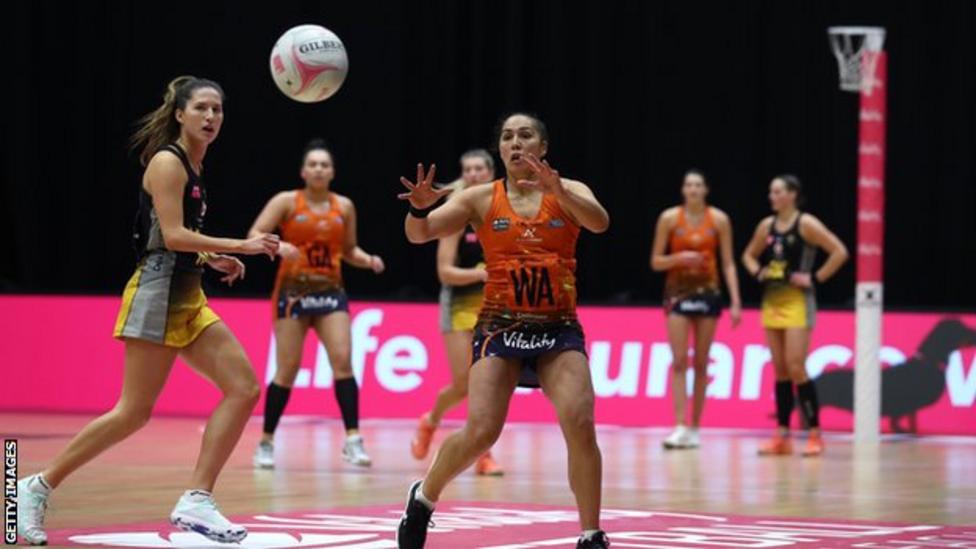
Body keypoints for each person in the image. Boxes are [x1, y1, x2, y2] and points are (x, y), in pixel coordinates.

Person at [16, 76, 280, 545]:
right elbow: (172, 238)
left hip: (189, 293)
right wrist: (242, 244)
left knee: (243, 388)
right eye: (201, 108)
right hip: (158, 292)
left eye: (217, 110)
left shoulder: (196, 166)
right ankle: (37, 485)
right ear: (179, 114)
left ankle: (197, 499)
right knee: (133, 412)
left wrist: (210, 257)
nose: (210, 117)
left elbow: (174, 239)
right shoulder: (167, 161)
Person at [395, 113, 612, 549]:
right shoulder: (480, 198)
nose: (516, 142)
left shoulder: (570, 190)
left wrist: (559, 190)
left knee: (580, 421)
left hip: (558, 328)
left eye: (525, 135)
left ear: (543, 147)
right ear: (501, 150)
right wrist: (419, 208)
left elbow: (600, 222)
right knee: (482, 431)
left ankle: (591, 534)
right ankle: (423, 498)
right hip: (499, 326)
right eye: (508, 137)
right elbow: (419, 235)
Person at [248, 139, 385, 468]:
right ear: (303, 171)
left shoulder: (344, 207)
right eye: (313, 164)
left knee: (342, 362)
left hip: (331, 293)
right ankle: (265, 441)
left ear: (333, 171)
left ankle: (353, 439)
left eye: (325, 164)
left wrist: (367, 260)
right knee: (288, 368)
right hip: (292, 293)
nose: (319, 169)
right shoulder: (286, 201)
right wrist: (278, 246)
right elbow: (255, 233)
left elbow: (349, 249)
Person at [410, 149, 503, 476]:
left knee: (487, 383)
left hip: (493, 305)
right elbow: (445, 272)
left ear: (491, 172)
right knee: (464, 383)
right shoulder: (456, 215)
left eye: (479, 168)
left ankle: (484, 454)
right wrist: (480, 274)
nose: (474, 174)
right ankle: (430, 420)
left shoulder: (501, 211)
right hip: (459, 306)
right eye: (468, 170)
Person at [742, 174, 848, 457]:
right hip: (772, 301)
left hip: (799, 302)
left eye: (776, 191)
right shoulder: (767, 225)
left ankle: (814, 433)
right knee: (780, 370)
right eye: (771, 191)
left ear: (792, 195)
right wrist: (758, 271)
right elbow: (748, 256)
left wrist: (814, 277)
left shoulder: (806, 223)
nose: (771, 196)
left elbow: (839, 251)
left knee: (796, 366)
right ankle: (782, 435)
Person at [650, 169, 741, 449]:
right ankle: (679, 425)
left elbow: (727, 262)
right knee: (679, 361)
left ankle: (696, 427)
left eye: (698, 185)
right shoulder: (669, 218)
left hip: (709, 294)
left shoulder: (719, 220)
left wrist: (735, 301)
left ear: (705, 190)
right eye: (688, 184)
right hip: (677, 294)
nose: (693, 189)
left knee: (702, 363)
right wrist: (679, 258)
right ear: (683, 190)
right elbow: (655, 261)